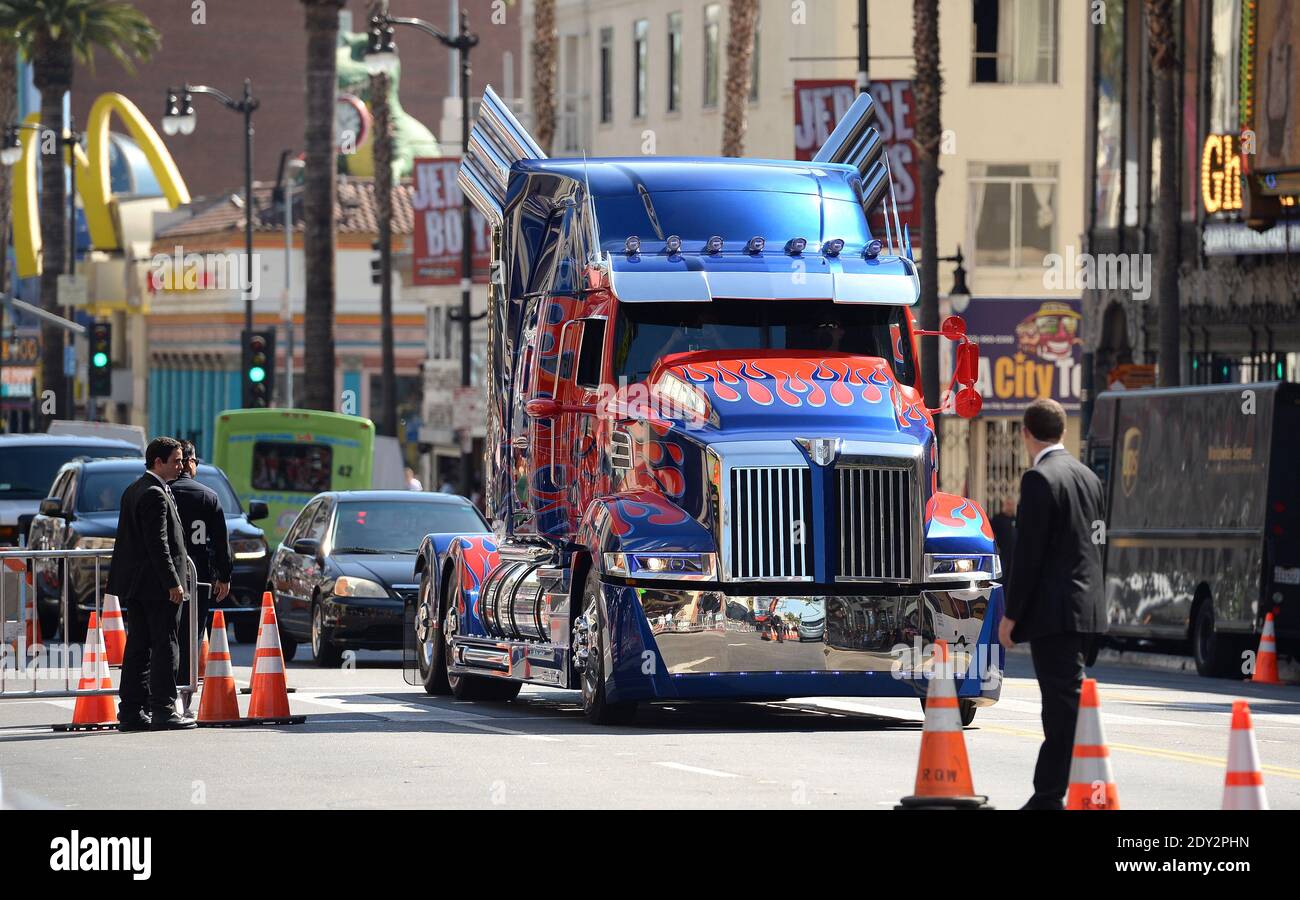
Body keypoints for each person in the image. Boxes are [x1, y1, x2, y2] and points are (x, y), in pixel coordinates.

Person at [998, 398, 1106, 810]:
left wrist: (1011, 615)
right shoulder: (1088, 478)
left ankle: (1049, 795)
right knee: (1063, 704)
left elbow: (1029, 556)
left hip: (1055, 613)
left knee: (1061, 708)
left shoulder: (1040, 478)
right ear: (1062, 431)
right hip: (1086, 608)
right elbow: (1097, 546)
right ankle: (1051, 793)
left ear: (1027, 433)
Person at [108, 437, 195, 731]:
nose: (181, 466)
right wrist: (173, 582)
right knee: (164, 645)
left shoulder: (136, 489)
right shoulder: (153, 493)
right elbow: (157, 544)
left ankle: (131, 711)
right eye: (176, 460)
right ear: (158, 462)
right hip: (156, 587)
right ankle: (163, 708)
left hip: (139, 585)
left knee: (139, 647)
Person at [169, 441, 231, 686]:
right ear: (190, 462)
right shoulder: (208, 496)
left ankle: (162, 690)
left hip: (166, 575)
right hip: (199, 578)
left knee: (165, 634)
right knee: (191, 636)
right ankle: (183, 688)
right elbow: (219, 542)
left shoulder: (163, 492)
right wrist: (223, 576)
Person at [990, 497, 1018, 583]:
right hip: (1002, 554)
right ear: (1004, 506)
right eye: (1008, 504)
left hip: (1013, 555)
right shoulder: (997, 519)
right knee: (1001, 578)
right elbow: (991, 534)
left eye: (1011, 505)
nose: (1010, 507)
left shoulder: (1016, 519)